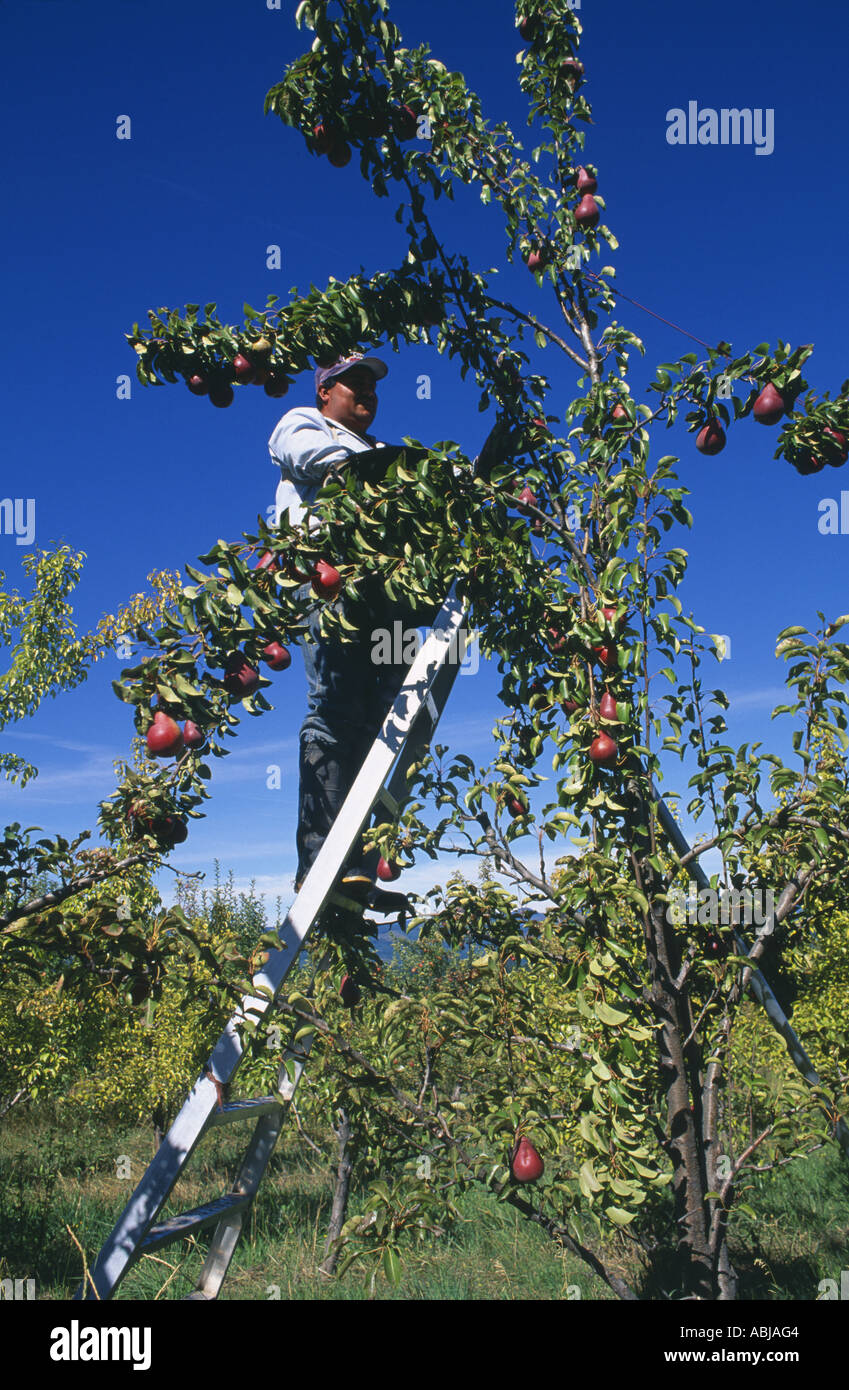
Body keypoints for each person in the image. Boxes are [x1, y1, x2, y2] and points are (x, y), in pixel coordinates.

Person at [268, 353, 414, 896]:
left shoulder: (383, 452)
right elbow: (316, 460)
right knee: (335, 709)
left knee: (390, 716)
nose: (366, 395)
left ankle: (361, 858)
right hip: (330, 582)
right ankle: (320, 858)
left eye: (372, 387)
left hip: (387, 597)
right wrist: (389, 477)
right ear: (325, 391)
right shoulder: (303, 423)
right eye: (353, 385)